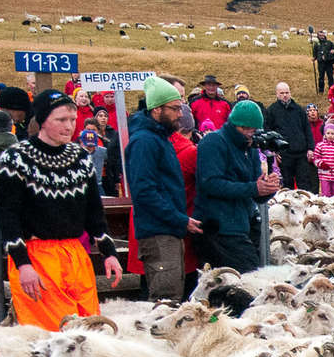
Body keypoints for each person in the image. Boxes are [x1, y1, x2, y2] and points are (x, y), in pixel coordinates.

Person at [0, 90, 122, 328]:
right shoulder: (16, 158)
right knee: (53, 332)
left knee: (89, 328)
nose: (69, 126)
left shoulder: (81, 157)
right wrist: (23, 264)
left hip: (75, 254)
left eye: (72, 119)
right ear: (43, 120)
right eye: (61, 119)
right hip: (37, 255)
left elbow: (94, 212)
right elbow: (8, 215)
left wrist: (110, 252)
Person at [124, 76, 199, 301]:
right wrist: (179, 218)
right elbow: (144, 191)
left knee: (172, 297)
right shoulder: (145, 141)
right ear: (157, 109)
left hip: (168, 229)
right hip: (158, 232)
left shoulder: (158, 138)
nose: (180, 114)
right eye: (175, 108)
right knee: (165, 300)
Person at [195, 99, 277, 272]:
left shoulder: (249, 147)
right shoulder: (213, 142)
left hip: (243, 224)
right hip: (219, 228)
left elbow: (254, 189)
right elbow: (210, 183)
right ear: (237, 126)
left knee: (245, 276)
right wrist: (254, 188)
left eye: (255, 130)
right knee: (246, 276)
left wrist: (267, 188)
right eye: (249, 130)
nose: (252, 134)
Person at [263, 81, 317, 193]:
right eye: (282, 93)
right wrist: (274, 151)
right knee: (287, 185)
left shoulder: (299, 109)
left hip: (301, 154)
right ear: (277, 94)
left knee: (305, 185)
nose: (285, 95)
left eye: (287, 92)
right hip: (284, 155)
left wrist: (310, 148)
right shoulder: (271, 110)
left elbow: (307, 130)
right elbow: (268, 132)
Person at [94, 106, 122, 197]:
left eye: (105, 116)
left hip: (110, 173)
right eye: (100, 115)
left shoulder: (113, 133)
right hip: (97, 172)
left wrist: (117, 178)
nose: (103, 118)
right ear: (95, 118)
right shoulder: (91, 133)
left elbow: (117, 155)